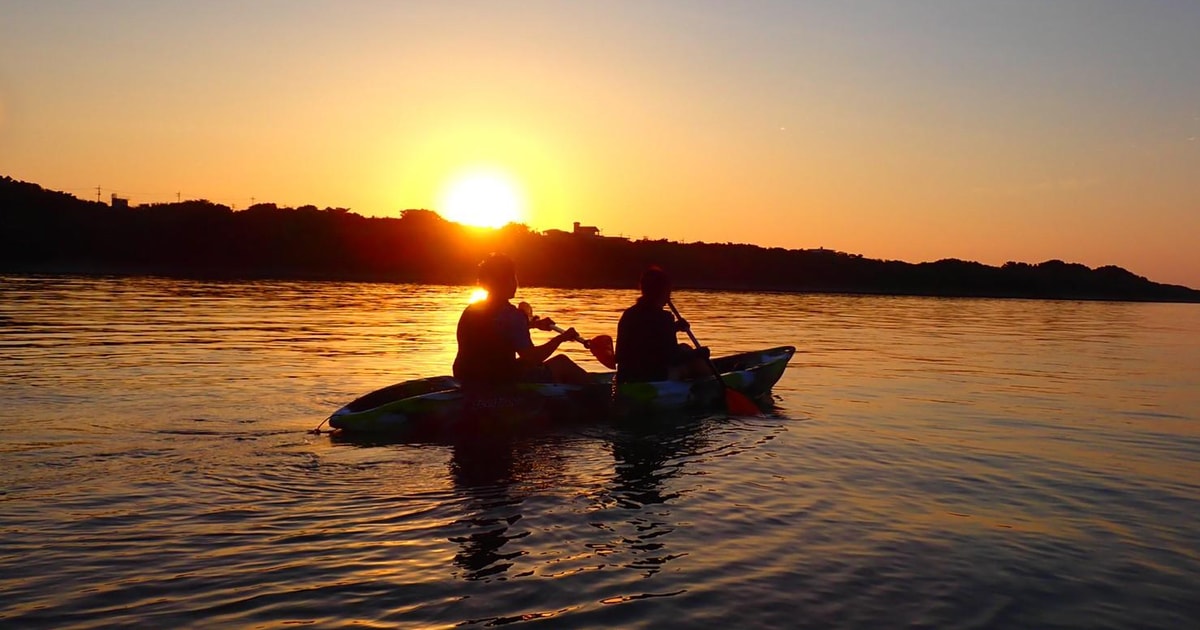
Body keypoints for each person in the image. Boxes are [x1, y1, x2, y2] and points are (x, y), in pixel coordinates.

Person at [453, 253, 589, 389]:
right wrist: (561, 338)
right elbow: (532, 357)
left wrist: (532, 325)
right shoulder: (512, 315)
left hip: (466, 376)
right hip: (498, 381)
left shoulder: (472, 309)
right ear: (508, 280)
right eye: (513, 277)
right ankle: (599, 393)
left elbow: (495, 331)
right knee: (562, 363)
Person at [615, 266, 710, 383]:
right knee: (693, 358)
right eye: (669, 291)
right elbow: (671, 357)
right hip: (653, 378)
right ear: (663, 291)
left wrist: (673, 328)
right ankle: (709, 386)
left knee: (684, 348)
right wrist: (699, 353)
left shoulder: (629, 314)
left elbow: (648, 337)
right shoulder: (664, 317)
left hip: (626, 376)